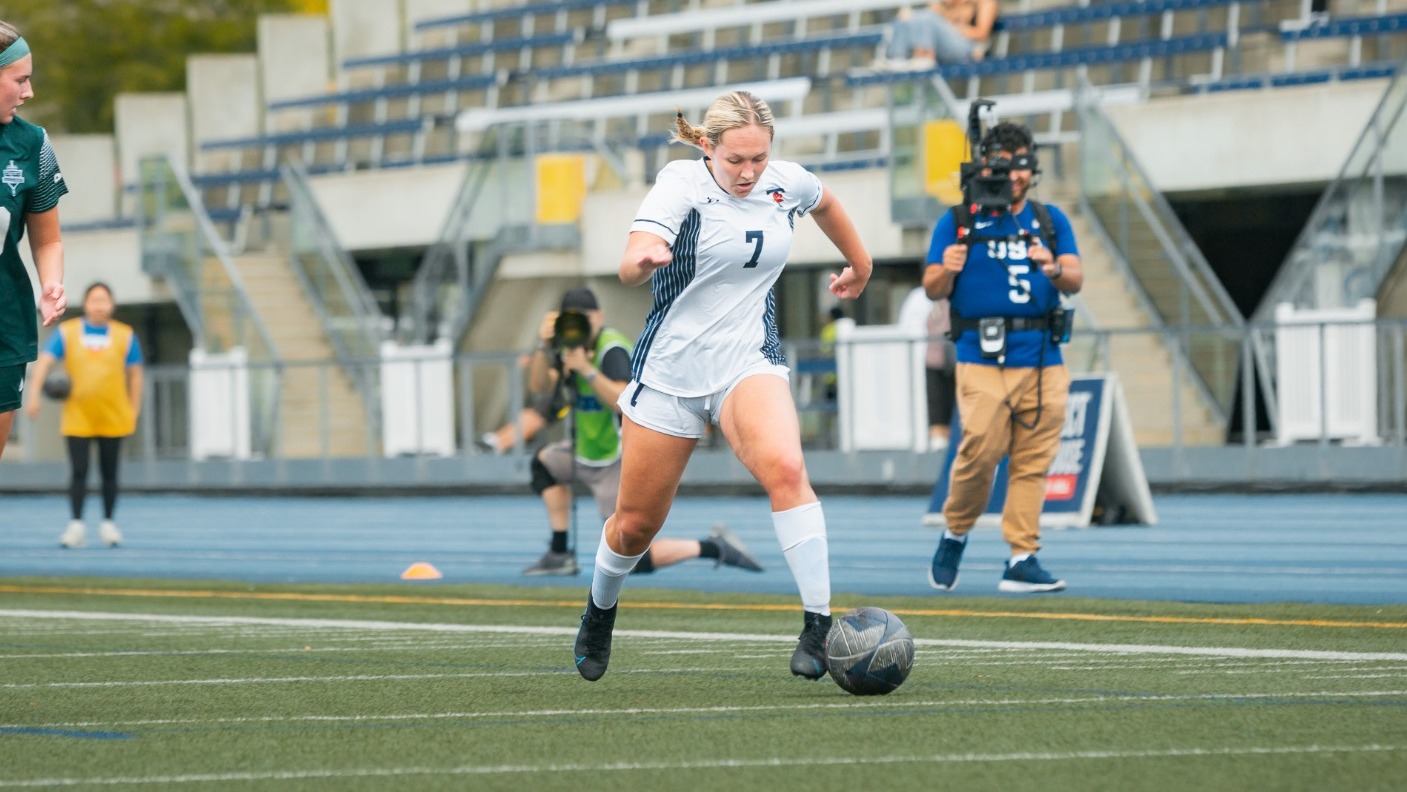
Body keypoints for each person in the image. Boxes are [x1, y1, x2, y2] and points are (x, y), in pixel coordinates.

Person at [572, 90, 873, 682]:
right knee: (635, 526)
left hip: (746, 361)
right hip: (671, 373)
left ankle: (817, 625)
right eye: (736, 159)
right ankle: (600, 610)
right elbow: (631, 260)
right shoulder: (681, 183)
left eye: (759, 158)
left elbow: (827, 203)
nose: (749, 171)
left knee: (787, 469)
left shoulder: (786, 182)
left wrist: (861, 265)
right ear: (708, 146)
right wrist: (643, 260)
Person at [923, 120, 1082, 594]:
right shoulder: (958, 219)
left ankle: (1021, 556)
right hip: (981, 354)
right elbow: (931, 285)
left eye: (1020, 165)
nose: (1012, 175)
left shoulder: (1049, 219)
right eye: (1003, 165)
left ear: (1032, 169)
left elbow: (1075, 278)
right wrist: (947, 270)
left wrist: (1052, 266)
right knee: (980, 452)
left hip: (1043, 356)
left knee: (1034, 460)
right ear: (984, 166)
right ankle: (956, 531)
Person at [521, 287, 764, 578]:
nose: (579, 325)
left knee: (629, 556)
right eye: (571, 319)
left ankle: (712, 547)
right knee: (543, 464)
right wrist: (542, 345)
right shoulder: (567, 346)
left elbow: (623, 402)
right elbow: (539, 386)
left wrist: (586, 370)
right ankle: (559, 552)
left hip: (617, 459)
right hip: (583, 452)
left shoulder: (611, 349)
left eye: (585, 317)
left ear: (599, 316)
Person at [26, 282, 143, 548]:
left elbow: (136, 374)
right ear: (85, 303)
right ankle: (76, 525)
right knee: (79, 471)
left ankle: (108, 524)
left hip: (114, 415)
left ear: (112, 305)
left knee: (110, 472)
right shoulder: (67, 332)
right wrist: (33, 396)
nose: (99, 305)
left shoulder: (125, 335)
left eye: (104, 300)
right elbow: (45, 362)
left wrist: (134, 408)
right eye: (94, 300)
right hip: (78, 415)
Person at [0, 21, 67, 460]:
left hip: (4, 322)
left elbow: (47, 240)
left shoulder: (33, 144)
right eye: (20, 80)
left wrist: (51, 283)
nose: (29, 92)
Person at [897, 284, 955, 451]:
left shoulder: (959, 291)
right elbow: (906, 326)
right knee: (935, 402)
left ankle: (955, 442)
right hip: (931, 360)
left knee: (957, 402)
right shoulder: (919, 298)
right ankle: (938, 442)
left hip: (958, 359)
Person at [883, 0, 999, 69]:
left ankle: (924, 56)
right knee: (906, 16)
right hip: (947, 44)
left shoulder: (986, 3)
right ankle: (897, 58)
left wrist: (954, 26)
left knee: (929, 17)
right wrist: (943, 13)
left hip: (969, 49)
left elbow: (982, 33)